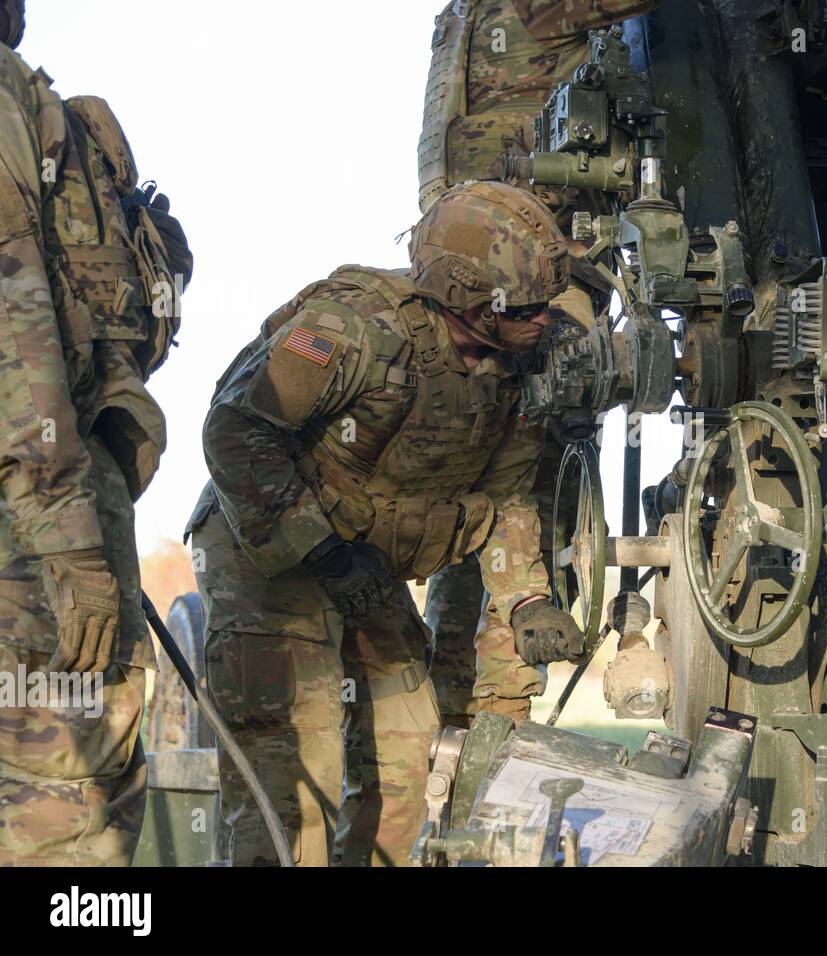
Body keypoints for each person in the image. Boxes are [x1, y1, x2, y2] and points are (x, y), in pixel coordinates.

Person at [187, 179, 584, 866]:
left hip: (362, 562)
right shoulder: (353, 329)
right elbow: (235, 431)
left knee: (408, 746)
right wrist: (325, 554)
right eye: (528, 308)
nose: (546, 321)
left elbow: (507, 495)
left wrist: (527, 599)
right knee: (293, 767)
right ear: (467, 295)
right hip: (269, 552)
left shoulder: (518, 369)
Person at [418, 0, 661, 726]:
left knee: (528, 484)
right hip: (459, 279)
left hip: (546, 282)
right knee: (460, 488)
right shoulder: (460, 15)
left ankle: (502, 710)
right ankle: (449, 703)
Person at [0, 0, 191, 865]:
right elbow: (16, 319)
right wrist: (70, 540)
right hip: (34, 510)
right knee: (67, 808)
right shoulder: (14, 97)